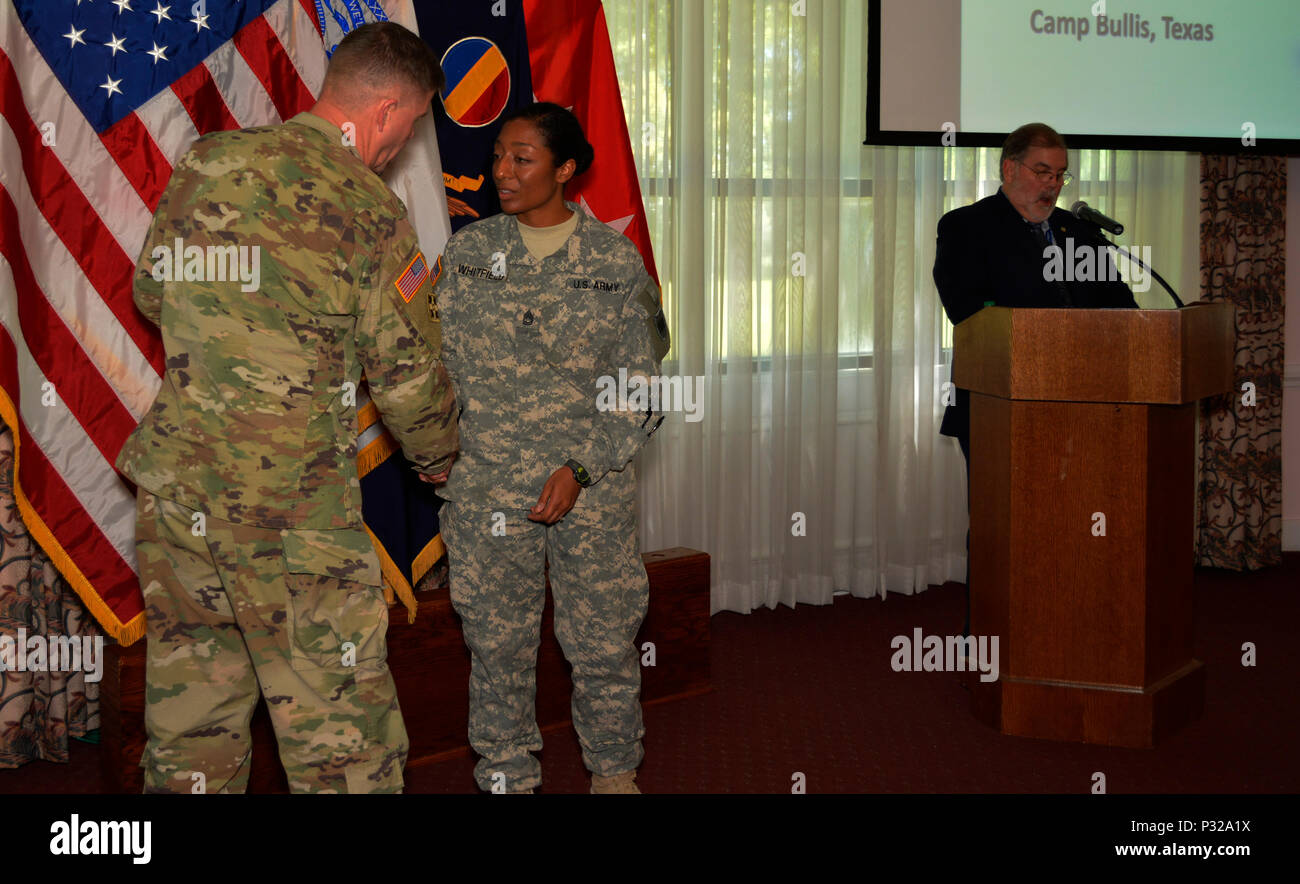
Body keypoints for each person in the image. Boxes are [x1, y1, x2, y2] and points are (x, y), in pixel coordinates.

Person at [115, 22, 458, 794]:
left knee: (190, 729)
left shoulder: (210, 160)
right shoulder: (369, 211)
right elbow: (406, 380)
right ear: (385, 110)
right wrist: (439, 459)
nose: (402, 147)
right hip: (290, 516)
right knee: (344, 742)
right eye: (407, 129)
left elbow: (149, 291)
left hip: (178, 499)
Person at [434, 102, 670, 795]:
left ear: (565, 169)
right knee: (498, 648)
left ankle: (614, 772)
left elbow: (640, 388)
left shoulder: (613, 261)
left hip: (588, 491)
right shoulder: (469, 254)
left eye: (523, 158)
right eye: (499, 156)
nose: (501, 171)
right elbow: (431, 366)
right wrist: (431, 448)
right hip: (484, 492)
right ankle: (506, 776)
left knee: (601, 643)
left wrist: (582, 467)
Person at [933, 122, 1137, 635]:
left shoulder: (1078, 232)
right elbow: (966, 307)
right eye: (1042, 172)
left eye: (1061, 175)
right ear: (1009, 168)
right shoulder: (966, 227)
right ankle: (988, 631)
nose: (1052, 185)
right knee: (1004, 525)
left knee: (1073, 521)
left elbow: (1121, 308)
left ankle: (1064, 623)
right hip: (998, 401)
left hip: (1083, 403)